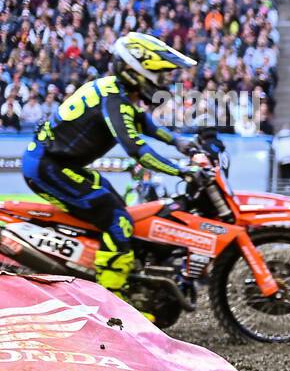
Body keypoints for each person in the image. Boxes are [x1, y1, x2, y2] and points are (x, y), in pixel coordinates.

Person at [22, 32, 200, 299]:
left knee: (117, 208)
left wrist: (179, 143)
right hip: (49, 168)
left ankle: (107, 272)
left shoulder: (113, 90)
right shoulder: (115, 99)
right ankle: (111, 305)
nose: (164, 82)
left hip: (58, 163)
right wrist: (183, 171)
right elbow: (137, 150)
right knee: (118, 222)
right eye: (160, 75)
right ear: (136, 71)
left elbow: (143, 122)